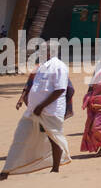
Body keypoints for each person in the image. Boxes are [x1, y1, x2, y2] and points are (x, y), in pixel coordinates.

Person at [0, 41, 70, 178]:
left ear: (51, 51)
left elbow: (60, 90)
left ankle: (55, 169)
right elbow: (32, 85)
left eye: (43, 50)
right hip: (32, 112)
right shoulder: (41, 66)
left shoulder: (59, 66)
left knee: (54, 139)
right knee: (20, 137)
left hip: (50, 112)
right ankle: (6, 171)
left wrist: (41, 106)